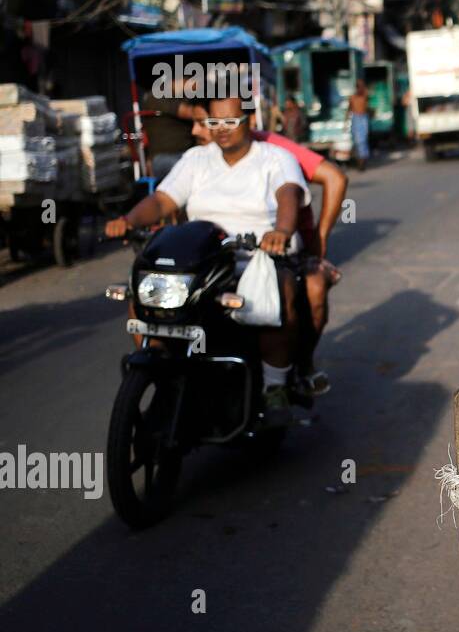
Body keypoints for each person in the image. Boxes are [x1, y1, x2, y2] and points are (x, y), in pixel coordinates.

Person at [105, 96, 310, 417]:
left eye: (231, 122)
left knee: (278, 298)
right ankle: (163, 369)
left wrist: (281, 231)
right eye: (214, 123)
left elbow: (289, 195)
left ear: (248, 121)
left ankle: (274, 386)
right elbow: (162, 201)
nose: (222, 130)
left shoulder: (275, 158)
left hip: (255, 257)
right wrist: (128, 221)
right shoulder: (196, 159)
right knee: (143, 297)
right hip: (204, 260)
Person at [187, 106, 348, 396]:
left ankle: (298, 370)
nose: (197, 131)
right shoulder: (196, 159)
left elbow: (334, 178)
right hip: (214, 256)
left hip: (281, 251)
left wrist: (319, 239)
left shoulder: (270, 149)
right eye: (203, 123)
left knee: (312, 290)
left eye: (201, 124)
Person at [348, 79, 370, 171]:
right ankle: (359, 162)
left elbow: (366, 94)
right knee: (357, 142)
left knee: (363, 140)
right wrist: (346, 123)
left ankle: (363, 160)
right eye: (359, 86)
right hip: (356, 119)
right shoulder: (352, 97)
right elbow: (349, 109)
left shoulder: (364, 96)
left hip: (363, 118)